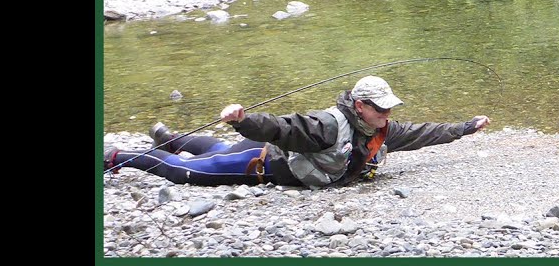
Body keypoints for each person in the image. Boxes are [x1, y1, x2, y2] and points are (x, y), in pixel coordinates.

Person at [103, 76, 490, 188]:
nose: (387, 114)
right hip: (265, 161)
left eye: (390, 108)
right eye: (380, 107)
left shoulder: (383, 128)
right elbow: (281, 127)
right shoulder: (325, 126)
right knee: (190, 171)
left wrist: (465, 128)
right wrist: (243, 120)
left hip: (275, 147)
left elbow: (424, 133)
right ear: (360, 106)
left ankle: (170, 138)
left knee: (217, 146)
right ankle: (118, 157)